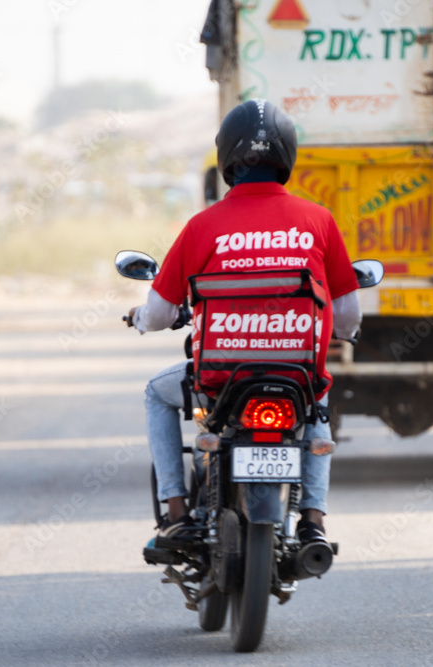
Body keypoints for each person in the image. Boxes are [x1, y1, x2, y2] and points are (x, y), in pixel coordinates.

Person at [129, 99, 362, 556]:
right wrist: (346, 333)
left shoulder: (202, 226)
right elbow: (348, 314)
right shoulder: (318, 221)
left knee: (157, 393)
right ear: (287, 157)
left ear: (227, 158)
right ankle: (313, 521)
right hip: (296, 376)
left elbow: (158, 314)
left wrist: (142, 320)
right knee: (317, 404)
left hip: (219, 377)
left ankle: (176, 513)